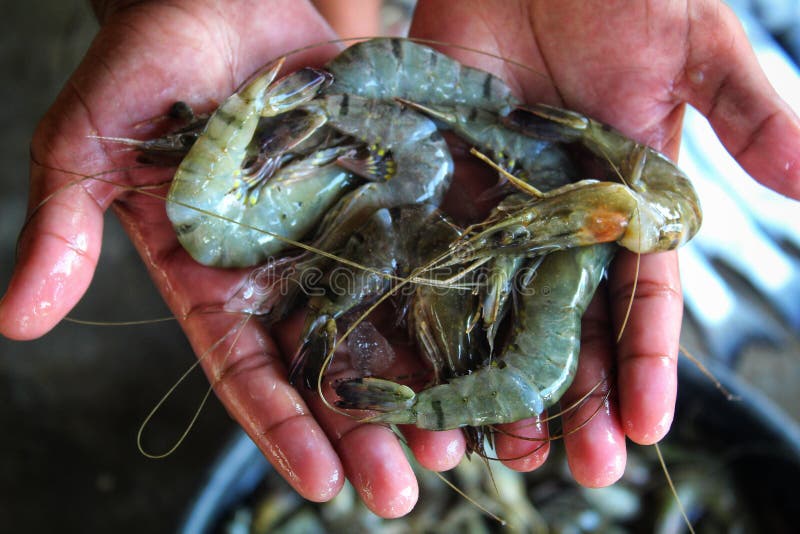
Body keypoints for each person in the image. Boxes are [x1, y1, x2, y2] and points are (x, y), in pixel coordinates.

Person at [2, 0, 798, 519]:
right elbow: (413, 198)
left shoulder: (474, 207)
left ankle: (348, 26)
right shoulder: (428, 180)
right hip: (401, 134)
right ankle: (346, 27)